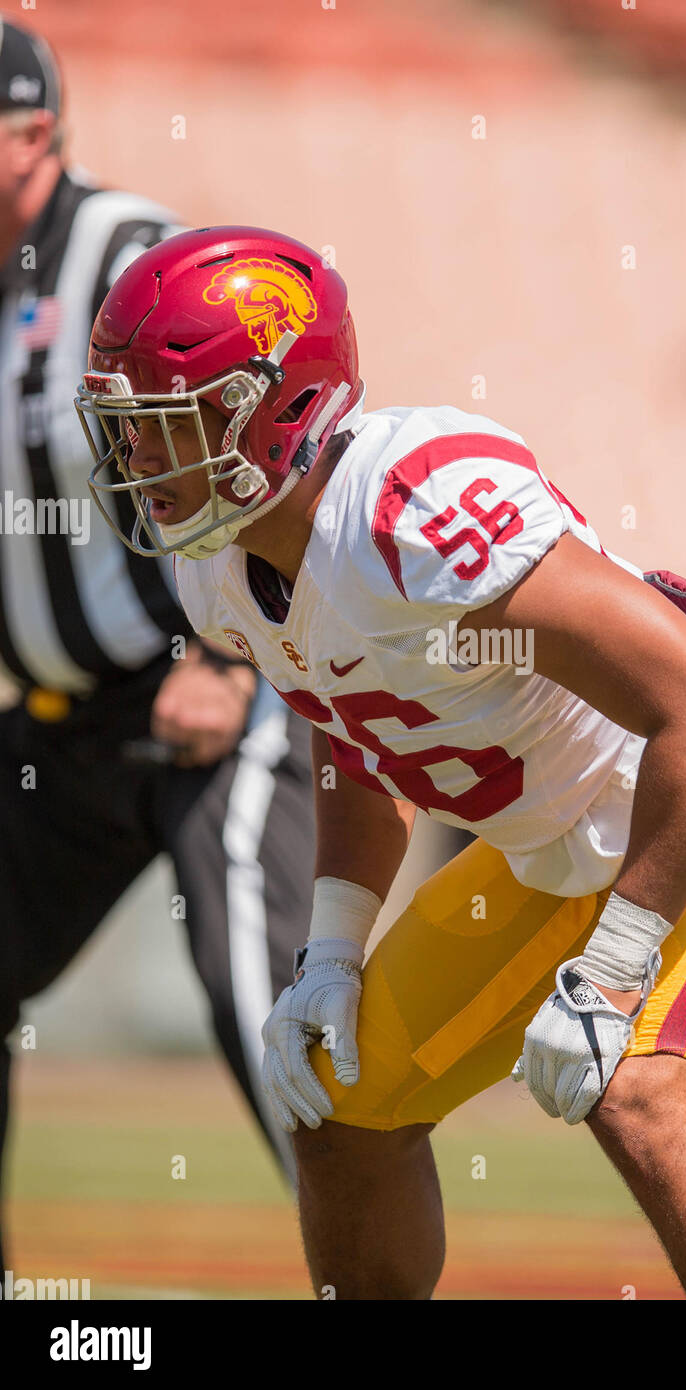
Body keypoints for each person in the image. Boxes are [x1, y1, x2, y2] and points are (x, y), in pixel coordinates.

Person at [75, 223, 686, 1301]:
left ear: (277, 411)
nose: (138, 457)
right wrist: (332, 953)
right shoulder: (220, 569)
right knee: (340, 1103)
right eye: (128, 426)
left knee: (641, 1093)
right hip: (560, 845)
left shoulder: (417, 512)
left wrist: (615, 963)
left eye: (170, 424)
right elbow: (356, 729)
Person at [0, 17, 317, 1271]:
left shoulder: (127, 255)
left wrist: (231, 658)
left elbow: (254, 428)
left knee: (267, 999)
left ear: (33, 136)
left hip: (205, 701)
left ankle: (375, 1275)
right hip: (56, 726)